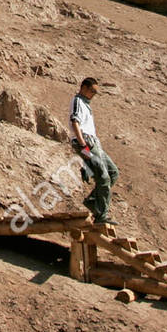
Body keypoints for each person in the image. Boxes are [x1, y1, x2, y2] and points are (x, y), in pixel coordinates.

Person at [70, 77, 120, 225]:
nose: (93, 94)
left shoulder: (86, 104)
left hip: (94, 144)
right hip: (86, 144)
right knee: (103, 178)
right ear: (84, 88)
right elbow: (75, 122)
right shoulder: (78, 101)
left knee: (113, 173)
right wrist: (83, 146)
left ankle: (93, 201)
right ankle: (101, 216)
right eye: (92, 91)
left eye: (95, 92)